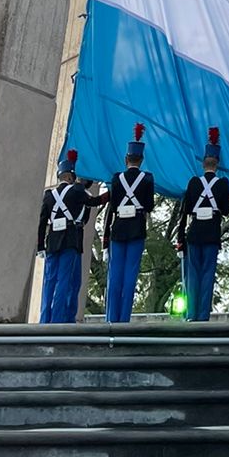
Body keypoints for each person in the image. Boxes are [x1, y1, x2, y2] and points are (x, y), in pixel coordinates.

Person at [169, 126, 229, 322]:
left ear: (203, 163)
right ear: (217, 163)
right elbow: (227, 209)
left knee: (193, 275)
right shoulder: (223, 184)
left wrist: (180, 237)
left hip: (194, 232)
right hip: (211, 232)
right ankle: (203, 315)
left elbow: (185, 210)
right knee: (207, 275)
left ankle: (191, 315)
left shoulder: (194, 183)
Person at [36, 147, 98, 324]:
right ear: (70, 176)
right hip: (70, 240)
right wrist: (110, 194)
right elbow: (94, 201)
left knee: (49, 281)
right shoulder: (77, 191)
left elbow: (42, 223)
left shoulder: (49, 195)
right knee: (64, 281)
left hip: (53, 241)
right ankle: (57, 320)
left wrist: (40, 246)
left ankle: (45, 319)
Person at [103, 123, 155, 324]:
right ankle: (124, 319)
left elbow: (113, 205)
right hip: (136, 229)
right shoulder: (147, 178)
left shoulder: (116, 179)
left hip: (118, 228)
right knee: (130, 275)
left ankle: (111, 318)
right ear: (141, 160)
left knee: (114, 275)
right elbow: (149, 205)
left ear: (126, 159)